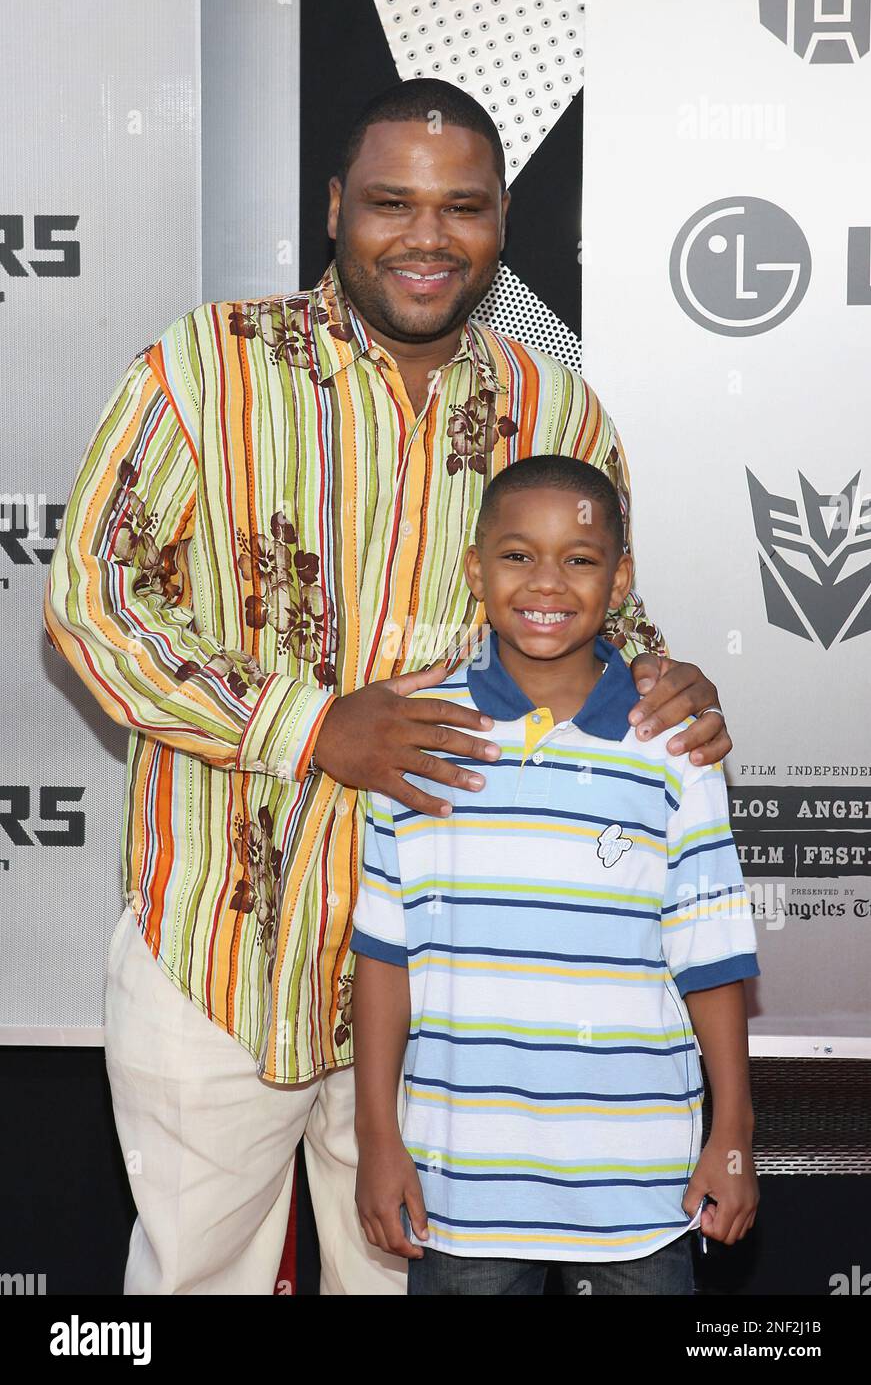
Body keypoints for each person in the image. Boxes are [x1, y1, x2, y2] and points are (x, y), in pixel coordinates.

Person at [43, 79, 733, 1295]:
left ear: (502, 220)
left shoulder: (553, 399)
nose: (426, 236)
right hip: (224, 939)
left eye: (460, 206)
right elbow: (90, 604)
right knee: (197, 1281)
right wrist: (308, 726)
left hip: (456, 983)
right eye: (390, 203)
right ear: (332, 210)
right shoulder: (208, 368)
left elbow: (604, 616)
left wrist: (665, 679)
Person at [350, 456, 760, 1296]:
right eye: (516, 555)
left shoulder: (673, 745)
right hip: (461, 1186)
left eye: (578, 558)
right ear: (475, 570)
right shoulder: (417, 737)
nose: (548, 582)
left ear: (620, 578)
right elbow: (384, 958)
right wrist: (378, 1141)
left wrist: (734, 1134)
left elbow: (711, 960)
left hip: (638, 1183)